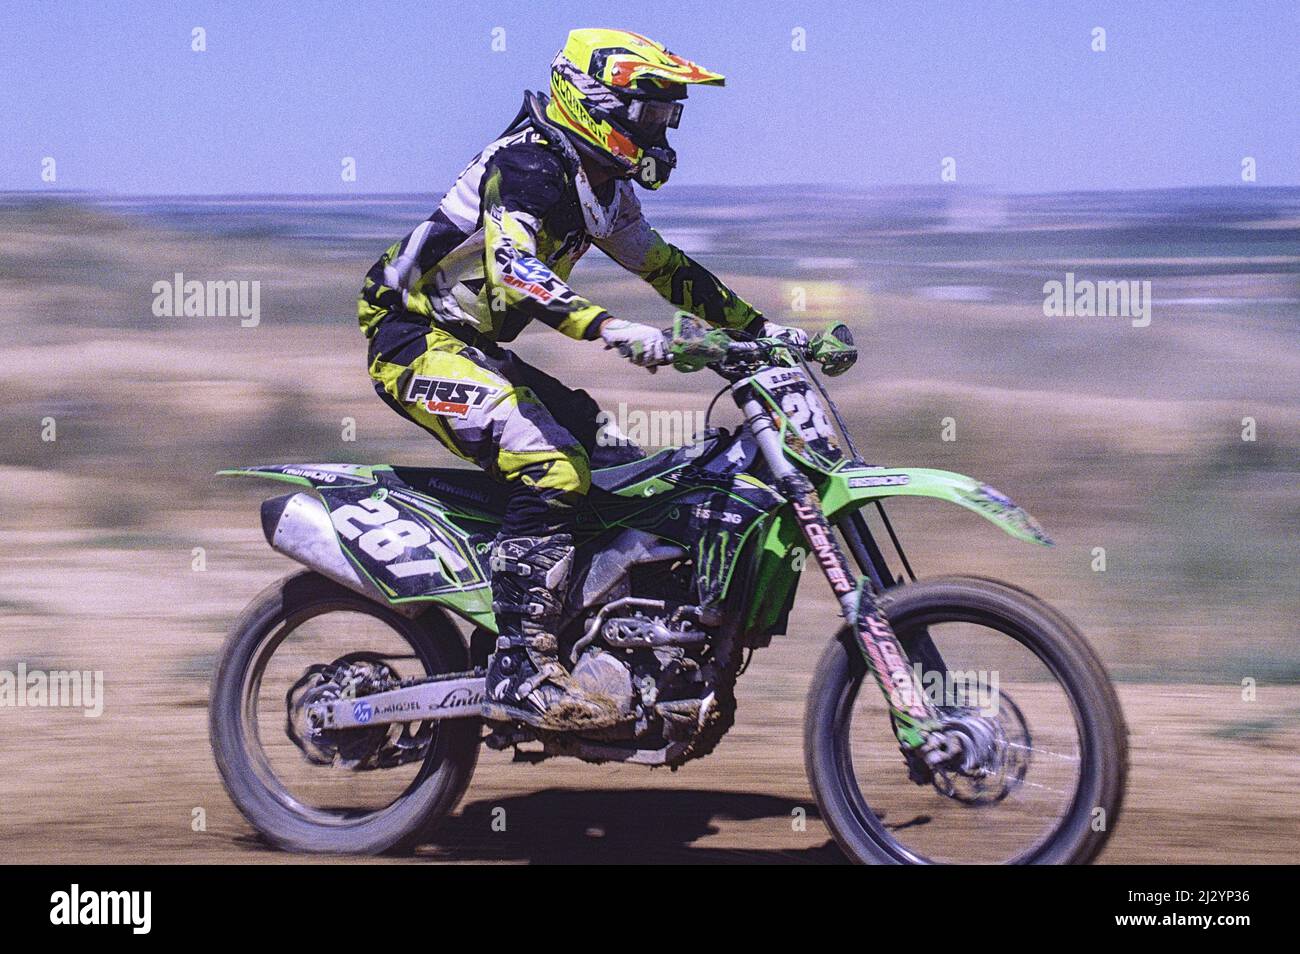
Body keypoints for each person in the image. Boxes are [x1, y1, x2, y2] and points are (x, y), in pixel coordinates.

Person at [357, 28, 806, 731]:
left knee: (618, 465)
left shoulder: (600, 182)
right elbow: (517, 272)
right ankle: (519, 667)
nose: (659, 129)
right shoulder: (531, 166)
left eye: (666, 116)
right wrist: (615, 330)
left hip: (470, 343)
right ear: (596, 104)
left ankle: (598, 638)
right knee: (552, 467)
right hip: (412, 339)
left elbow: (667, 268)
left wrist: (762, 332)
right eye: (648, 113)